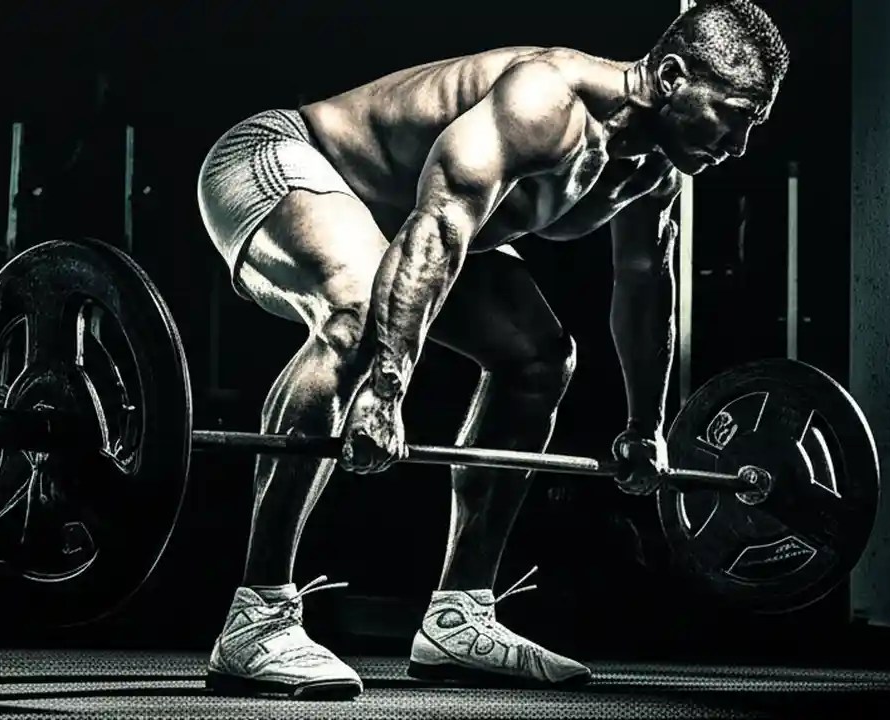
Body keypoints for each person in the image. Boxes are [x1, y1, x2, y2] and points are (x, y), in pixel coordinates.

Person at [196, 0, 787, 700]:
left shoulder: (653, 175)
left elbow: (643, 290)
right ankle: (256, 616)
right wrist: (386, 391)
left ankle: (460, 613)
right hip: (284, 159)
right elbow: (441, 228)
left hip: (396, 219)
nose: (740, 145)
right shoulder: (545, 101)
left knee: (540, 359)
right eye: (735, 114)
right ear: (670, 74)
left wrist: (644, 427)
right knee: (356, 311)